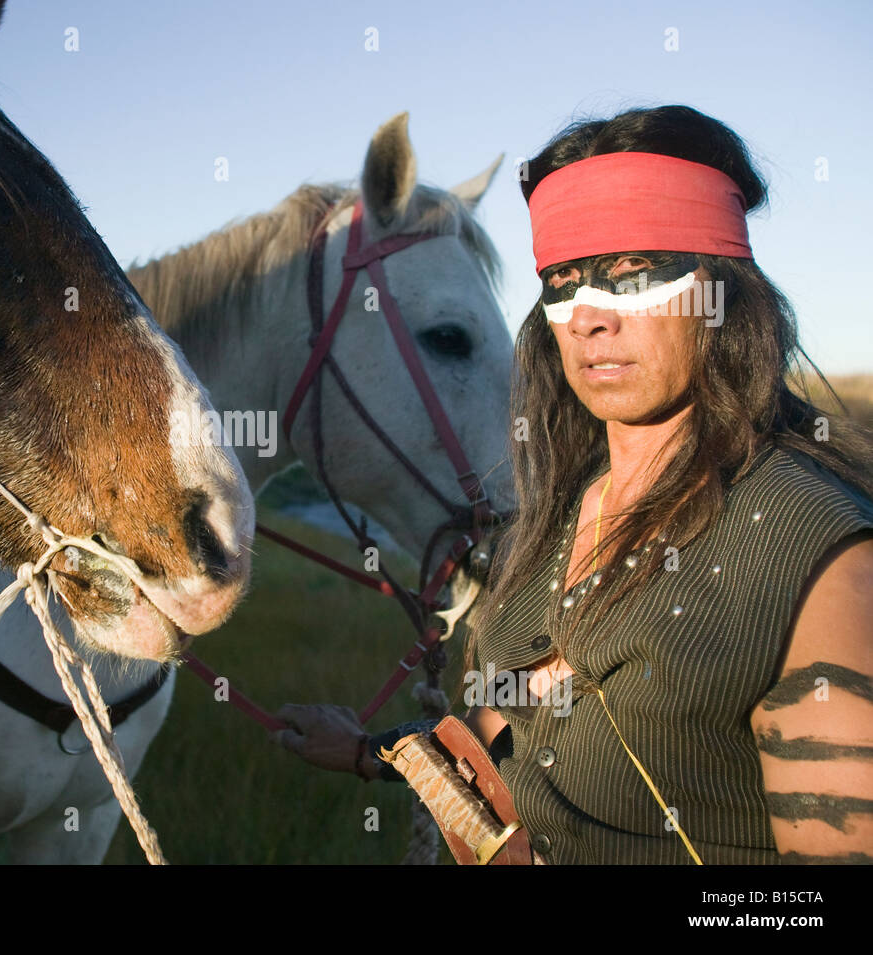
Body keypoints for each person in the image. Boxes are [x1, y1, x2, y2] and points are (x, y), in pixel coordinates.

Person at [274, 105, 873, 865]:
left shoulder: (818, 557)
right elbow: (511, 743)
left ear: (719, 293)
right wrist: (370, 750)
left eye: (633, 277)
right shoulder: (544, 524)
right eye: (563, 279)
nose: (589, 315)